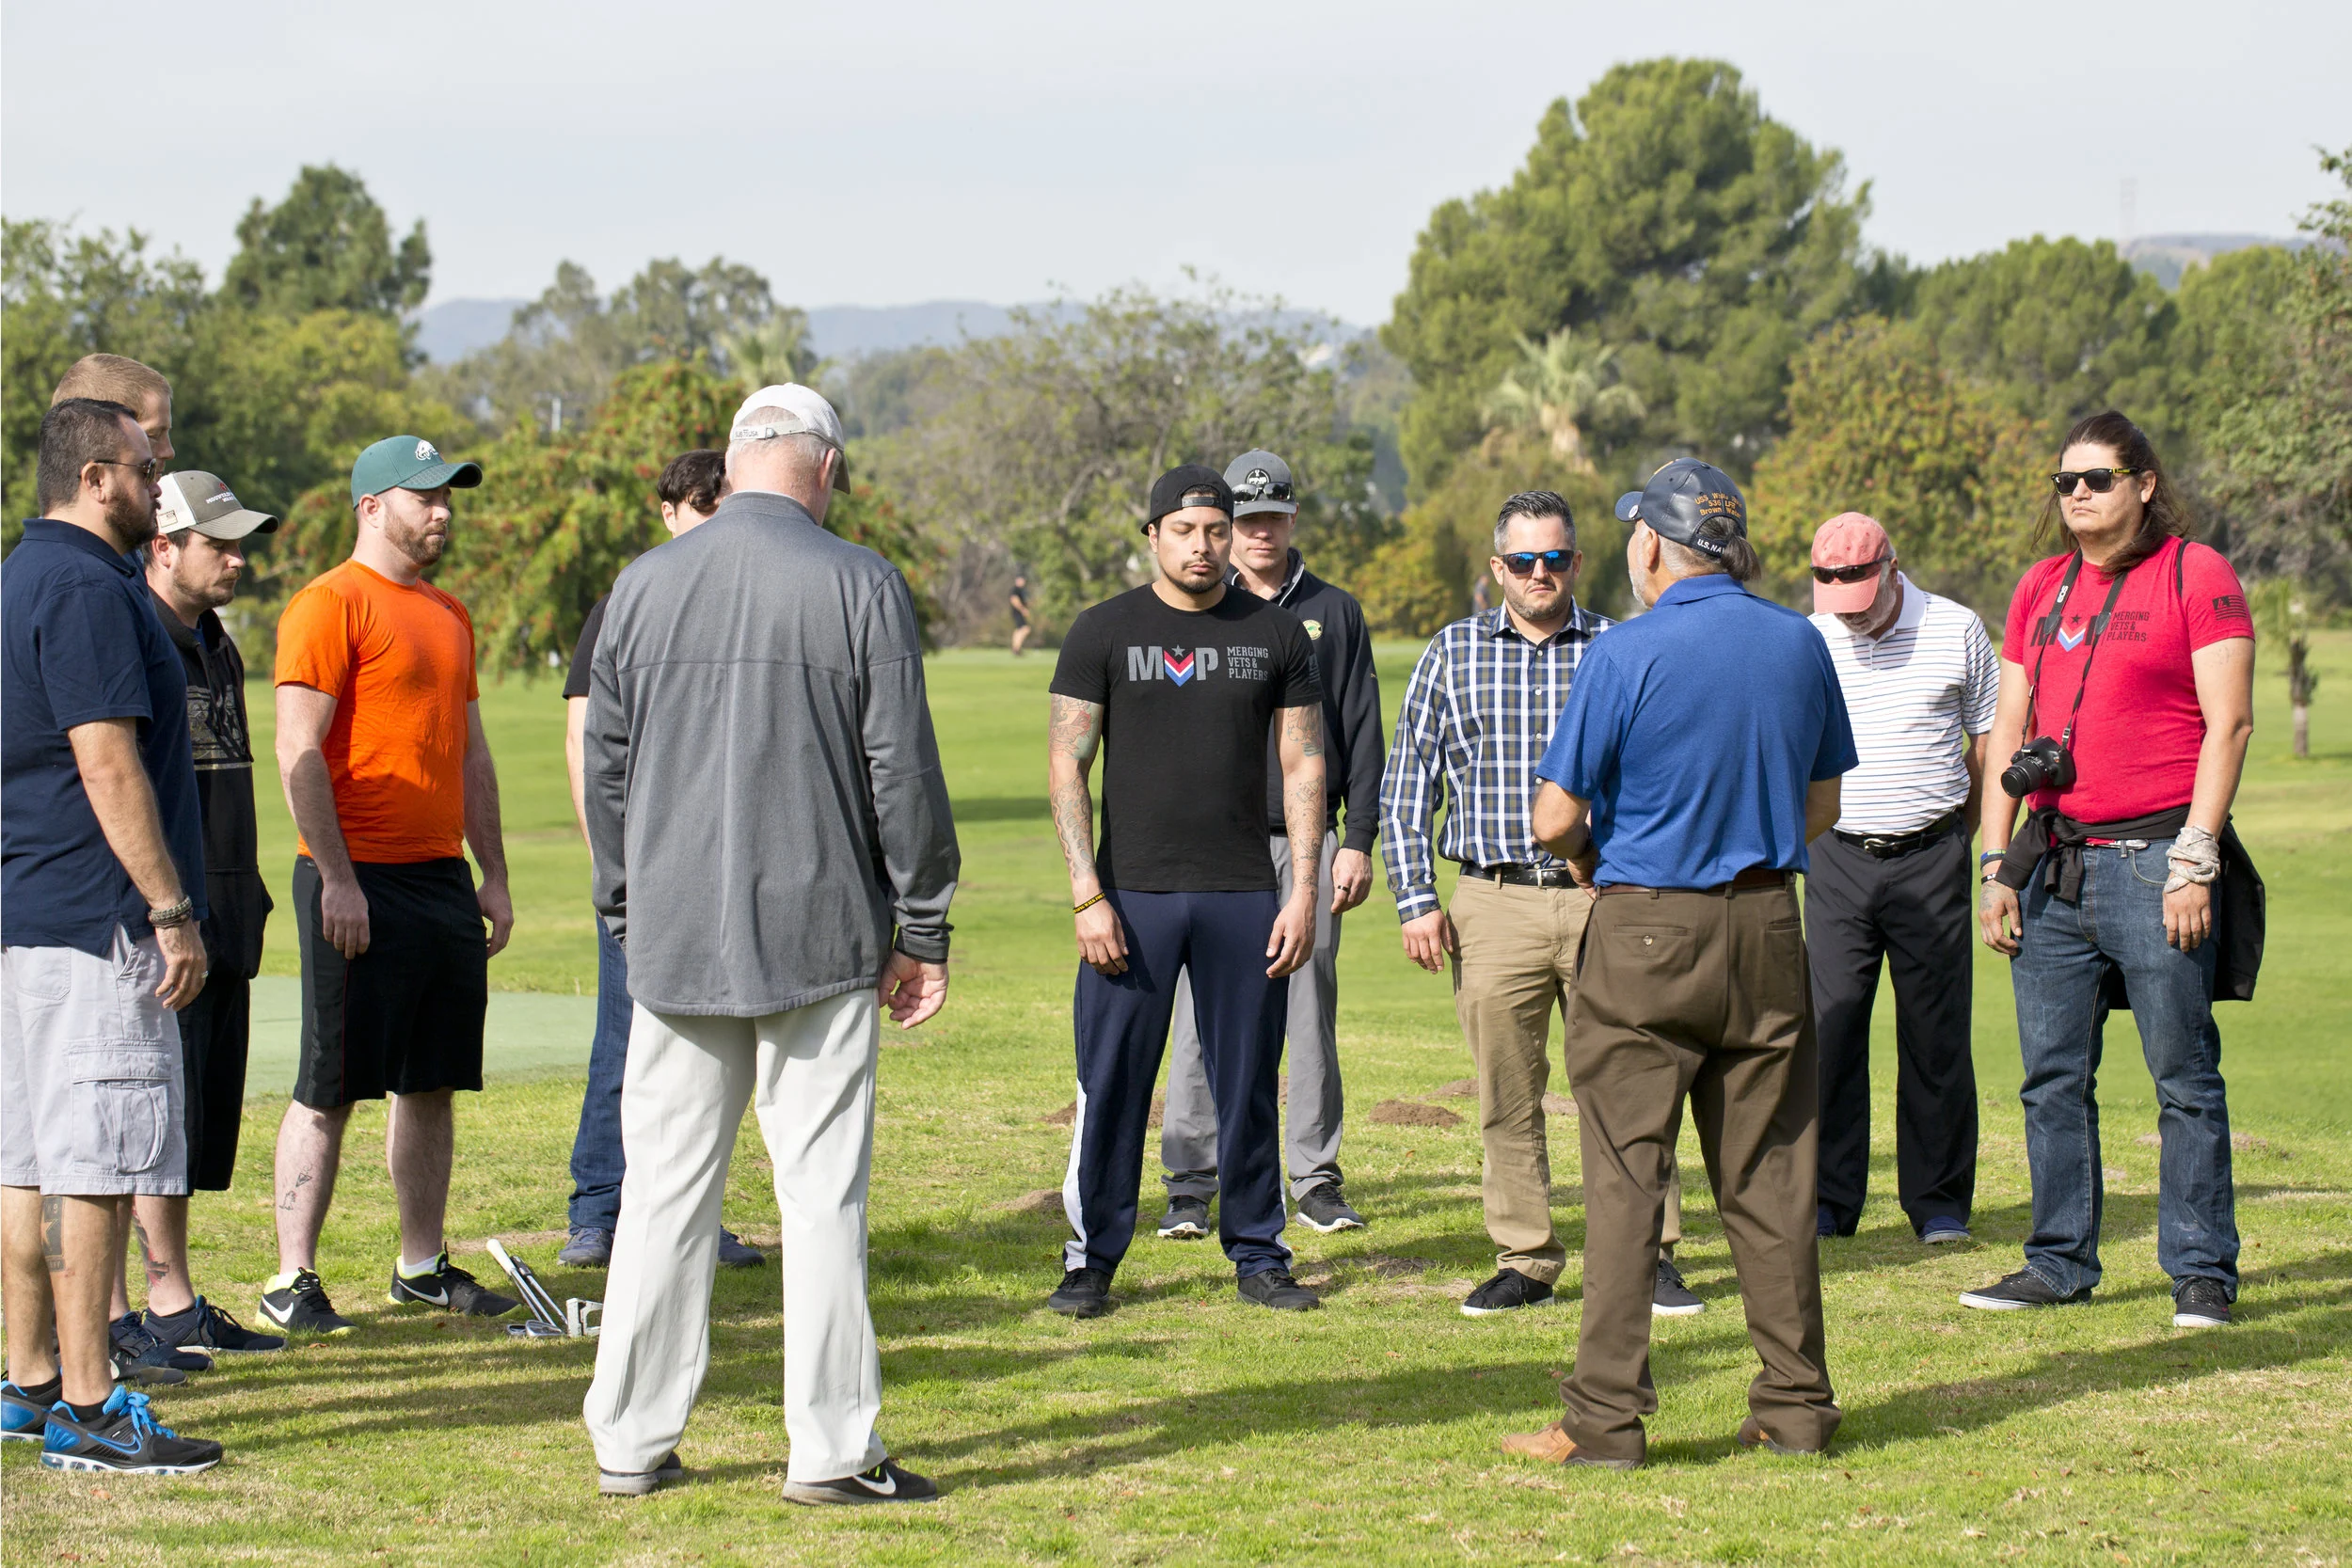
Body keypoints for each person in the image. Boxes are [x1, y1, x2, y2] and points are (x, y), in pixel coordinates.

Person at [581, 384, 958, 1505]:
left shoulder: (643, 585)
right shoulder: (859, 582)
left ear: (739, 459)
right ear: (826, 467)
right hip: (821, 931)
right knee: (822, 1198)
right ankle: (833, 1449)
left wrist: (623, 909)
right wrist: (923, 923)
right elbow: (901, 767)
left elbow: (605, 771)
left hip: (677, 934)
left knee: (659, 1194)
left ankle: (630, 1440)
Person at [1505, 457, 1853, 1469]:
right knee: (1774, 1176)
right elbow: (1824, 806)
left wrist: (1585, 863)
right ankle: (1793, 1408)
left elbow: (1553, 814)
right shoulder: (1799, 641)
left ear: (1652, 543)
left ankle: (1603, 1421)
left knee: (1625, 1174)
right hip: (1768, 921)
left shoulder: (1627, 649)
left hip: (1646, 923)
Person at [1378, 492, 1700, 1319]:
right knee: (1507, 1090)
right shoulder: (1452, 654)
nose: (1539, 575)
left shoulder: (1623, 647)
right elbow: (1407, 786)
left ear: (1577, 564)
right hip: (1495, 900)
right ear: (1497, 569)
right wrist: (1417, 900)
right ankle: (1526, 1255)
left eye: (1555, 559)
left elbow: (1664, 774)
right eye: (1522, 561)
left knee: (1632, 1080)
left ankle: (1652, 1253)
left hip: (1608, 894)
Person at [1970, 410, 2255, 1331]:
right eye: (2065, 482)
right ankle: (2056, 1260)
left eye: (2096, 478)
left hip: (2155, 860)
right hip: (2050, 867)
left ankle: (2201, 1269)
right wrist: (1992, 862)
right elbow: (2008, 733)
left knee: (2182, 1072)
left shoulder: (2194, 573)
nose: (2078, 494)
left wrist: (2195, 859)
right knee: (2050, 1075)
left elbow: (2231, 723)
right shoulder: (2039, 587)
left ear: (2142, 482)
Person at [1046, 464, 1326, 1320]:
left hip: (1245, 892)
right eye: (1185, 530)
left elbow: (1304, 760)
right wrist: (1087, 892)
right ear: (1154, 535)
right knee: (1116, 1078)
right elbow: (1067, 758)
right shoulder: (1104, 630)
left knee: (1248, 1079)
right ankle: (1092, 1258)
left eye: (1215, 530)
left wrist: (1303, 888)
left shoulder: (1277, 636)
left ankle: (1258, 1250)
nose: (1203, 546)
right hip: (1132, 897)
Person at [2, 397, 224, 1473]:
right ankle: (88, 1407)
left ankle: (28, 1375)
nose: (156, 480)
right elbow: (104, 758)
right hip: (98, 917)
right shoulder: (89, 586)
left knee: (27, 1157)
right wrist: (170, 908)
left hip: (27, 910)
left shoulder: (17, 572)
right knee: (94, 1157)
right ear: (96, 476)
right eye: (144, 466)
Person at [262, 436, 519, 1336]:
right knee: (330, 1083)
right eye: (425, 496)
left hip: (440, 879)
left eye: (450, 495)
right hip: (353, 877)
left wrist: (490, 872)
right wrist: (335, 876)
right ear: (373, 504)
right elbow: (299, 750)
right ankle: (292, 1278)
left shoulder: (449, 613)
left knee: (432, 1079)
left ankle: (420, 1264)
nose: (443, 510)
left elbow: (472, 754)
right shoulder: (327, 603)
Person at [1156, 450, 1384, 1241]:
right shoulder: (1198, 608)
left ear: (1291, 520)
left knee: (1308, 1004)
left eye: (1269, 519)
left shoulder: (1334, 611)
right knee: (1196, 1006)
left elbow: (1361, 729)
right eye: (1243, 521)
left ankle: (1314, 1177)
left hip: (1305, 844)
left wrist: (1357, 839)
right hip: (1215, 847)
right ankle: (1190, 1181)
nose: (1257, 534)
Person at [555, 450, 762, 1272]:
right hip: (647, 863)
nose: (703, 521)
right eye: (692, 507)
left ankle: (688, 1213)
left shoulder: (745, 599)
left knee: (707, 1048)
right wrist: (611, 858)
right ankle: (598, 1208)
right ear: (668, 512)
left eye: (719, 504)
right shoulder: (629, 601)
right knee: (628, 1039)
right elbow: (583, 737)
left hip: (723, 857)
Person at [108, 472, 289, 1362]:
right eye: (219, 544)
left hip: (222, 913)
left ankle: (171, 1302)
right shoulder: (132, 637)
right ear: (163, 546)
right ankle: (125, 1315)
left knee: (187, 1124)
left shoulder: (218, 641)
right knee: (133, 1124)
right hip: (157, 919)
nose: (238, 559)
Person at [1804, 513, 1998, 1244]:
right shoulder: (1815, 634)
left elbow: (1988, 742)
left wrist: (1963, 838)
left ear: (1893, 569)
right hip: (1837, 856)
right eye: (1836, 602)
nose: (1850, 620)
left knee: (1936, 1032)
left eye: (1862, 599)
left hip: (1931, 851)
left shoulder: (1956, 629)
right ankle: (1829, 1199)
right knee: (1830, 1028)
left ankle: (1939, 1202)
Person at [1009, 573, 1037, 656]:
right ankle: (1016, 648)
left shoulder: (1022, 590)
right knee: (1026, 629)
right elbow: (1014, 600)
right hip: (1018, 612)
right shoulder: (1016, 589)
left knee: (1019, 629)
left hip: (1018, 612)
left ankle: (1015, 648)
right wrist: (1023, 609)